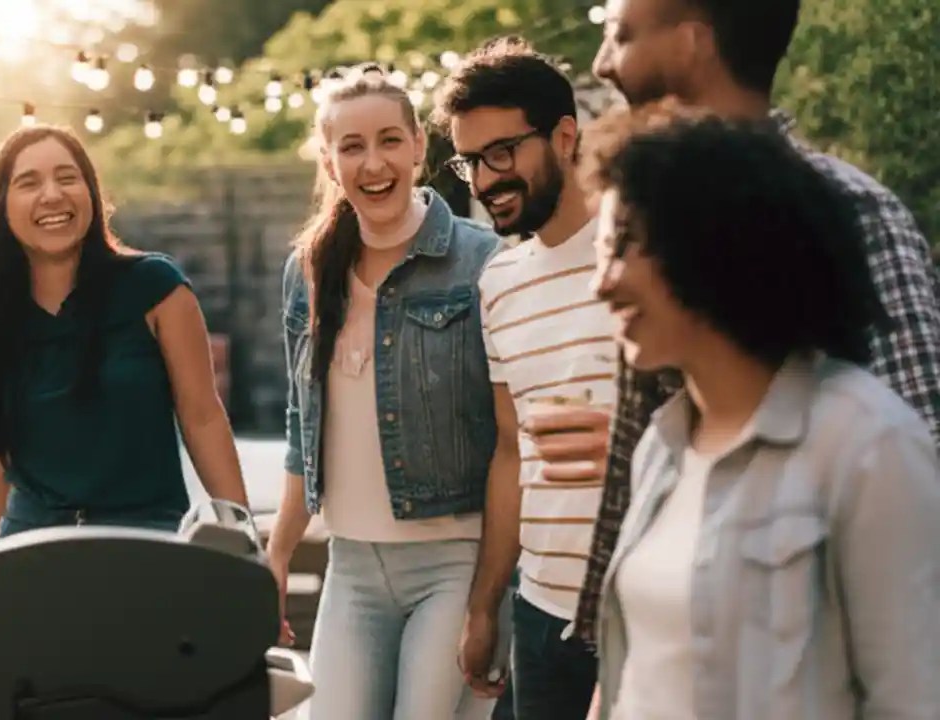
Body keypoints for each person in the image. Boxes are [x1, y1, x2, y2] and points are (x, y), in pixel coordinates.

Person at [570, 0, 940, 645]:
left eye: (621, 36)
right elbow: (638, 472)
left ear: (691, 44)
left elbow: (919, 459)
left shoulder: (848, 211)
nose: (602, 64)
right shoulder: (639, 217)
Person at [263, 64, 510, 720]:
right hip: (352, 565)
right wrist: (278, 552)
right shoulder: (309, 272)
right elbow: (301, 427)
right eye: (351, 146)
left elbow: (512, 439)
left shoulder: (483, 262)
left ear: (419, 147)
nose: (373, 163)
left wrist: (492, 593)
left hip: (454, 562)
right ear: (330, 160)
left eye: (389, 140)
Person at [0, 125, 248, 544]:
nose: (52, 194)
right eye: (29, 183)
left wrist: (246, 540)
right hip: (30, 551)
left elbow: (204, 418)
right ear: (1, 208)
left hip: (146, 545)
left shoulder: (156, 288)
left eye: (67, 178)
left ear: (91, 193)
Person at [430, 37, 614, 720]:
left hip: (643, 604)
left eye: (501, 153)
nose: (482, 181)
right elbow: (511, 451)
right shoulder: (499, 282)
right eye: (469, 160)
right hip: (540, 614)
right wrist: (485, 606)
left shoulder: (646, 253)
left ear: (565, 136)